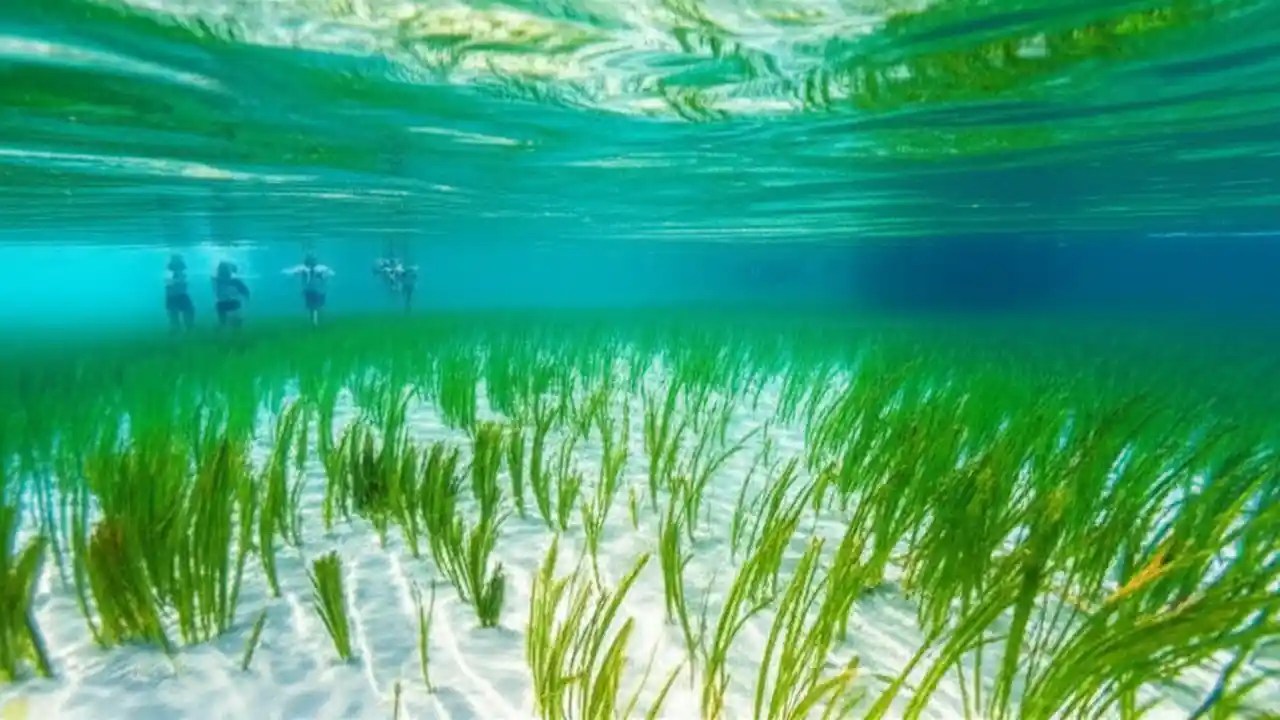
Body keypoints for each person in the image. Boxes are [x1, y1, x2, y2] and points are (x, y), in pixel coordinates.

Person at [284, 253, 335, 327]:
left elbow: (331, 273)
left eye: (313, 260)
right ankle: (314, 323)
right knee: (312, 307)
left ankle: (316, 321)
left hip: (319, 290)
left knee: (319, 307)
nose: (312, 262)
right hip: (310, 291)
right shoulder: (303, 268)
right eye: (310, 260)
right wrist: (295, 274)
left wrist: (323, 274)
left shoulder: (321, 268)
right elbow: (290, 272)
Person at [212, 261, 250, 330]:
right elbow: (246, 292)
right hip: (228, 303)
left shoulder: (217, 280)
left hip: (225, 304)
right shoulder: (233, 281)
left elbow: (246, 292)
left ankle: (222, 334)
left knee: (225, 323)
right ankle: (231, 333)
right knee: (232, 323)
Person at [164, 254, 195, 332]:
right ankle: (178, 334)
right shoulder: (169, 273)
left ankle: (184, 333)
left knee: (186, 314)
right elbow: (170, 283)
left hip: (178, 296)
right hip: (174, 296)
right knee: (176, 318)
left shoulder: (180, 272)